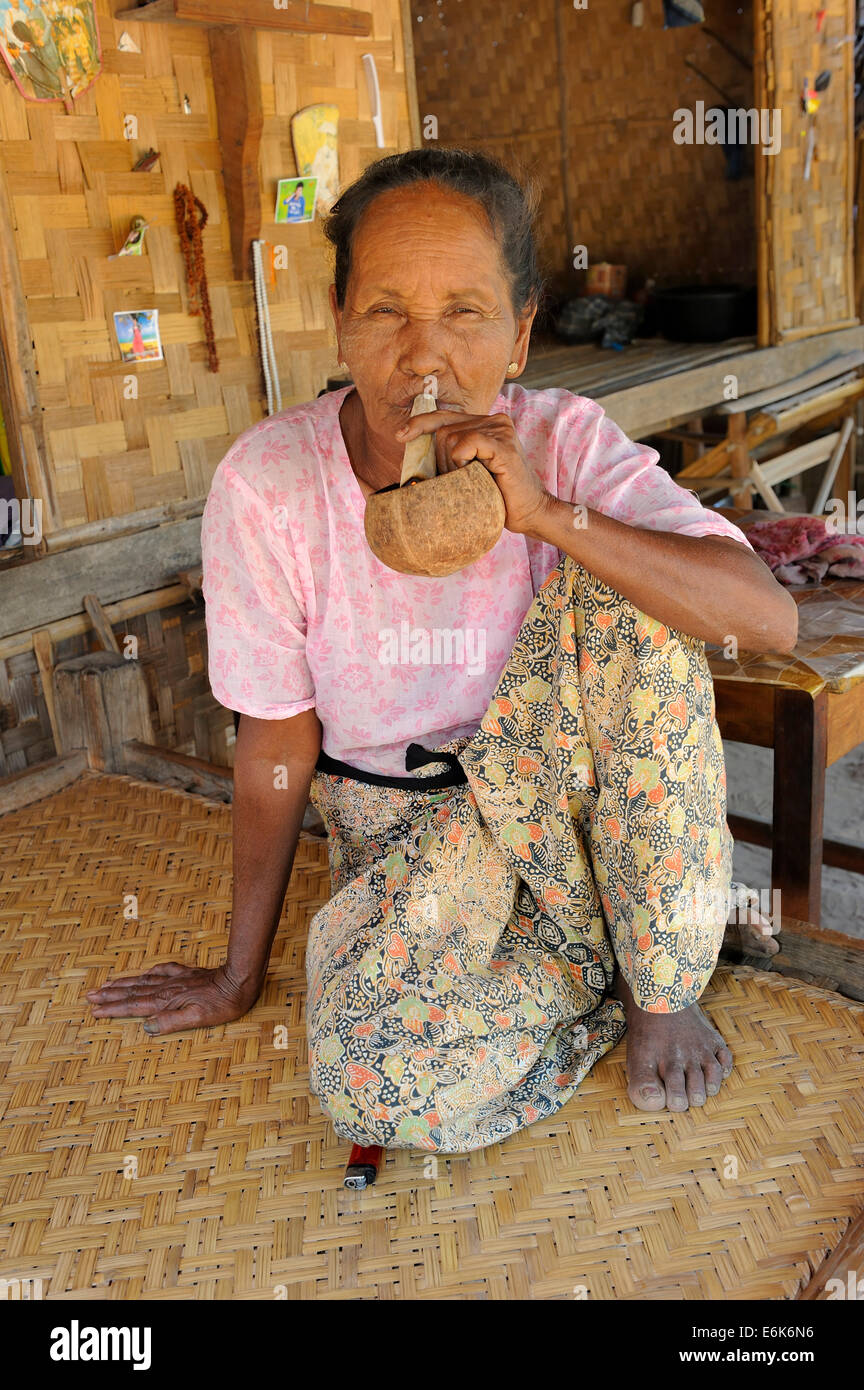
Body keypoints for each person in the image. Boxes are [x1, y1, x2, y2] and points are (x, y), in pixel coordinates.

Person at [87, 148, 797, 1153]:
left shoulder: (566, 442)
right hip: (412, 844)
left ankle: (662, 988)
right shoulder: (267, 485)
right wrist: (240, 971)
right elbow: (276, 740)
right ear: (339, 318)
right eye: (386, 310)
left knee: (640, 593)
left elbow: (762, 618)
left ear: (517, 333)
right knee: (368, 1077)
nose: (423, 356)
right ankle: (595, 961)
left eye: (464, 311)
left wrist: (548, 516)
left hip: (570, 803)